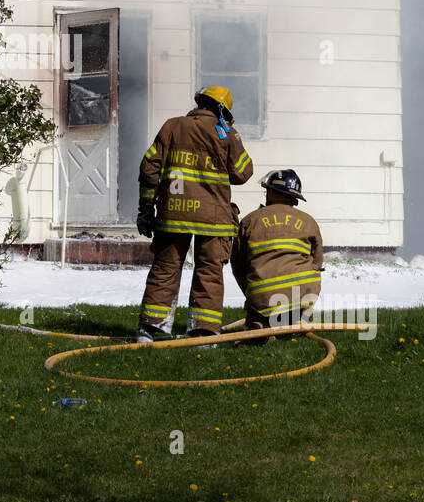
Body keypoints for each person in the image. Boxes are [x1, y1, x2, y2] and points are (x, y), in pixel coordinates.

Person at [136, 86, 253, 345]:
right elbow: (243, 173)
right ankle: (204, 333)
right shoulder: (226, 132)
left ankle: (152, 329)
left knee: (165, 268)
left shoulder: (172, 126)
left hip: (173, 214)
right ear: (222, 110)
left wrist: (145, 207)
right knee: (209, 271)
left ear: (200, 104)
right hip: (213, 218)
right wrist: (232, 138)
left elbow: (149, 167)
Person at [230, 169, 323, 342]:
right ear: (294, 197)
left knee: (259, 302)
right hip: (302, 294)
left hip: (263, 294)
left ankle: (259, 324)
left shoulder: (250, 220)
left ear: (272, 192)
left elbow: (238, 264)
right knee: (304, 288)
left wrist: (252, 294)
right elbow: (317, 263)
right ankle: (297, 320)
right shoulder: (309, 221)